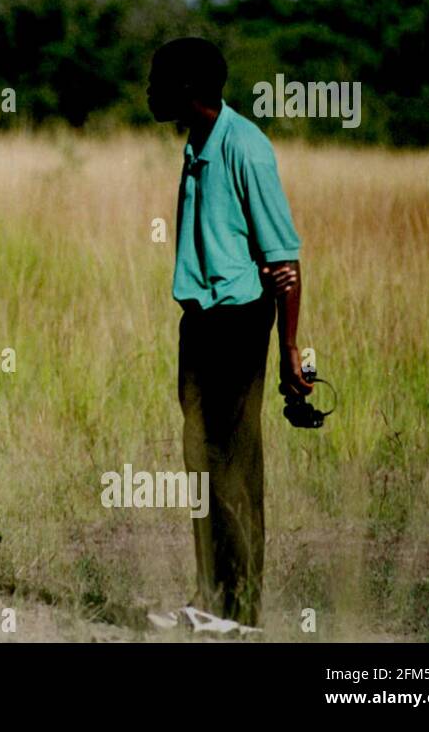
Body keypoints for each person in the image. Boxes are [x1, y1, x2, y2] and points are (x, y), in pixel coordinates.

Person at [147, 36, 313, 627]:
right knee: (202, 461)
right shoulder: (197, 143)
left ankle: (242, 613)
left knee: (235, 463)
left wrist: (291, 350)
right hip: (200, 321)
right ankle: (209, 600)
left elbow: (284, 265)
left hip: (240, 321)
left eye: (158, 82)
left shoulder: (246, 147)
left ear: (187, 91)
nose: (149, 92)